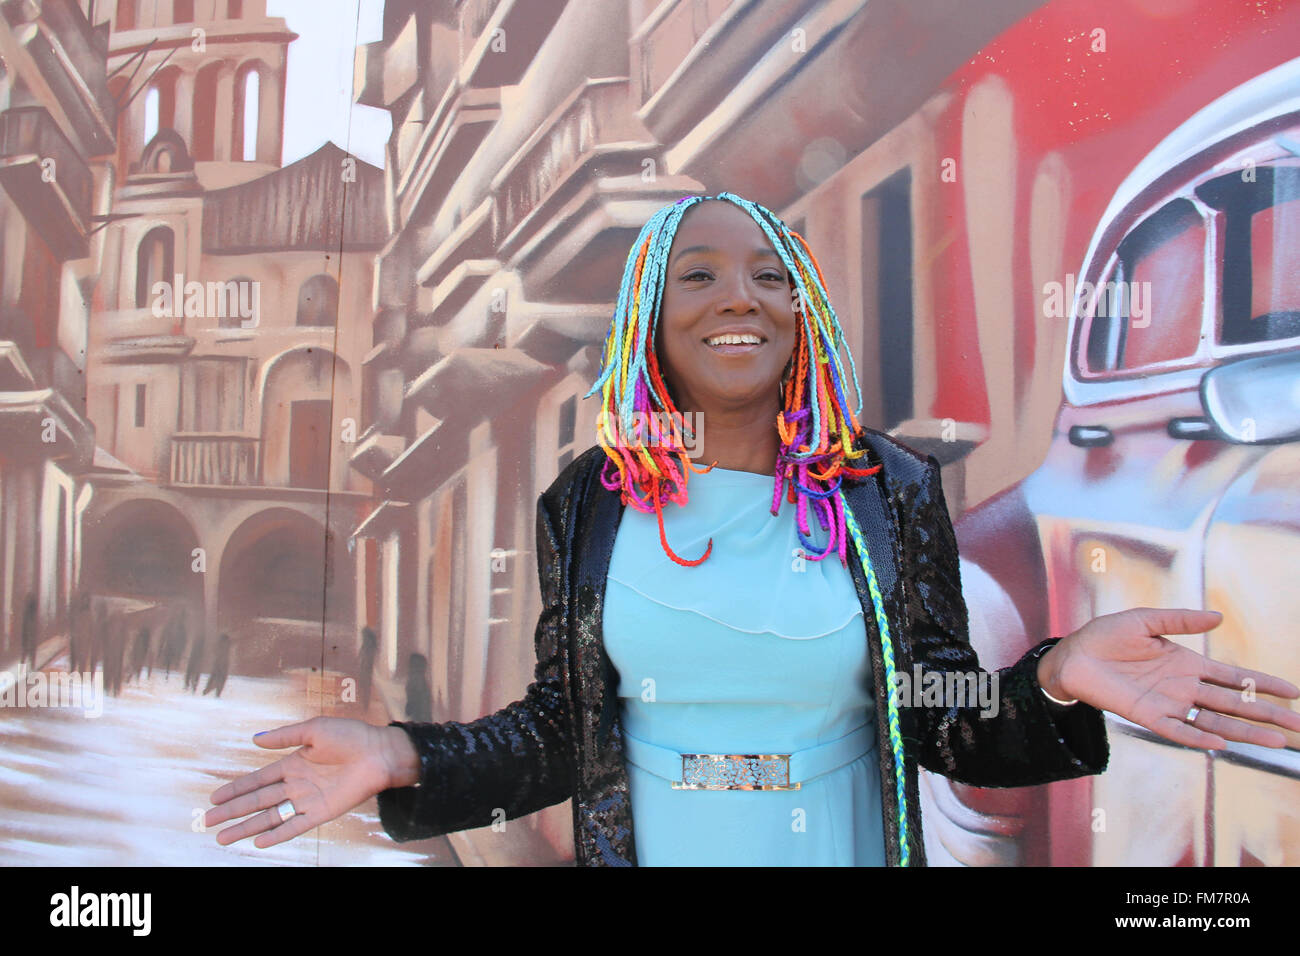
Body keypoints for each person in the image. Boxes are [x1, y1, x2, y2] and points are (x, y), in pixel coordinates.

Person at [205, 192, 1300, 866]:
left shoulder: (888, 488)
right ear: (651, 315)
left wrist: (1054, 675)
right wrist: (401, 754)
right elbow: (559, 731)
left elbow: (938, 712)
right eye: (702, 274)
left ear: (802, 313)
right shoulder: (585, 503)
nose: (742, 297)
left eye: (771, 276)